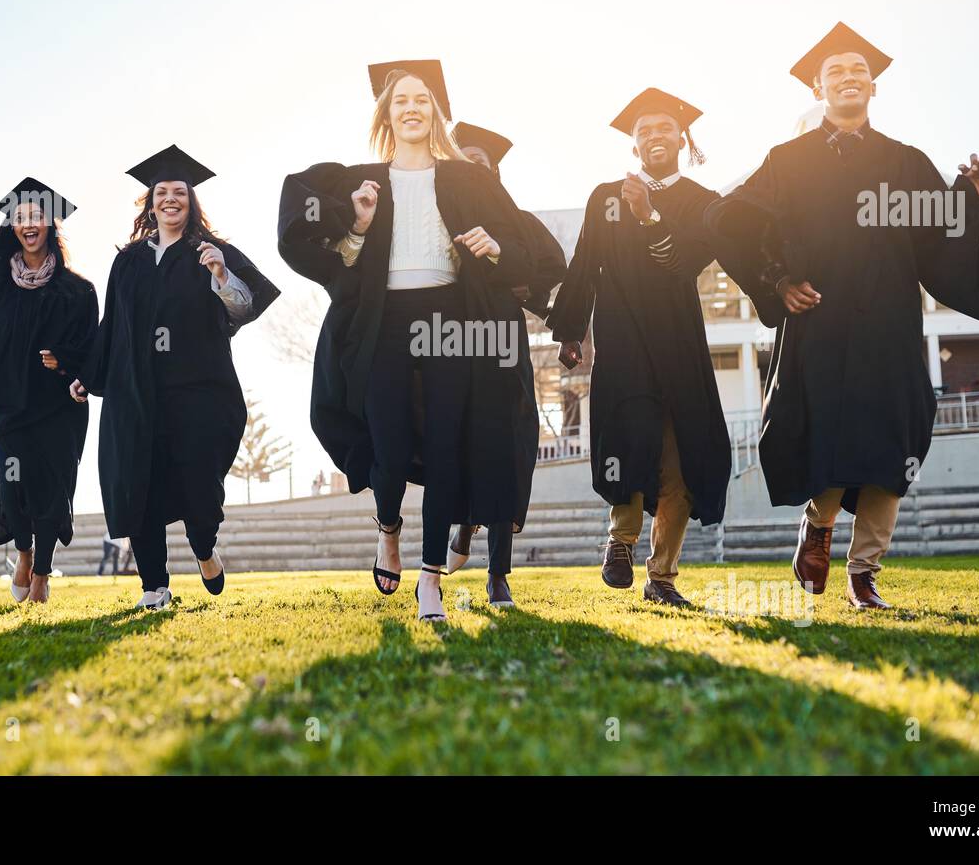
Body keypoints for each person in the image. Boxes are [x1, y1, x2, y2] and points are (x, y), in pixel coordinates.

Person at [705, 23, 979, 609]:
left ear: (874, 88)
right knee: (829, 434)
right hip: (821, 320)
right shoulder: (788, 162)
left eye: (860, 71)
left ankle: (865, 574)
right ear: (818, 87)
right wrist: (777, 282)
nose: (849, 78)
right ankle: (819, 523)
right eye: (836, 71)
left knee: (891, 438)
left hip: (888, 324)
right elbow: (735, 223)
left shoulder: (906, 163)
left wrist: (977, 203)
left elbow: (943, 238)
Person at [278, 60, 537, 621]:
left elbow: (528, 246)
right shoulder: (361, 180)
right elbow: (325, 253)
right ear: (387, 114)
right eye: (401, 101)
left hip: (450, 319)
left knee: (446, 444)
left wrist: (494, 246)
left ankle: (430, 579)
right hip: (385, 320)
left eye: (422, 99)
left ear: (435, 112)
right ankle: (388, 527)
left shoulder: (470, 179)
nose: (412, 107)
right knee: (389, 444)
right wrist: (360, 227)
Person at [72, 145, 280, 610]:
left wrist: (222, 276)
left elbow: (245, 308)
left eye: (179, 192)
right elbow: (113, 326)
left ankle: (204, 544)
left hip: (198, 390)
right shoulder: (127, 263)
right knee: (139, 482)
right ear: (150, 202)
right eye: (161, 192)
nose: (170, 199)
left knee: (199, 484)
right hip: (137, 393)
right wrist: (89, 374)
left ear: (191, 201)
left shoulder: (211, 251)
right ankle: (154, 585)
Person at [546, 88, 732, 607]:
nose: (655, 136)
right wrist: (569, 330)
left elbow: (683, 264)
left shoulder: (703, 201)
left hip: (678, 344)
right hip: (623, 339)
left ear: (682, 137)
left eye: (664, 128)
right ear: (633, 145)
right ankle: (620, 543)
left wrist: (649, 216)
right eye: (644, 131)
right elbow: (584, 263)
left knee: (683, 463)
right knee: (627, 440)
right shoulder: (605, 195)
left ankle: (663, 577)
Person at [0, 177, 98, 604]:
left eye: (37, 216)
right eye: (21, 217)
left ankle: (44, 571)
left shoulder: (78, 291)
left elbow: (92, 348)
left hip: (57, 409)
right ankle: (25, 554)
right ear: (12, 226)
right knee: (11, 485)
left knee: (51, 489)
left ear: (51, 224)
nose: (29, 223)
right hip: (8, 409)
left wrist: (66, 361)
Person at [444, 121, 567, 607]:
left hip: (498, 336)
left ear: (494, 172)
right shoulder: (438, 210)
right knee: (456, 437)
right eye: (464, 161)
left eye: (482, 162)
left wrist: (522, 284)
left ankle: (498, 573)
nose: (473, 169)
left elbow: (553, 264)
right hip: (448, 335)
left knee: (502, 442)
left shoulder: (514, 220)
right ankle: (461, 523)